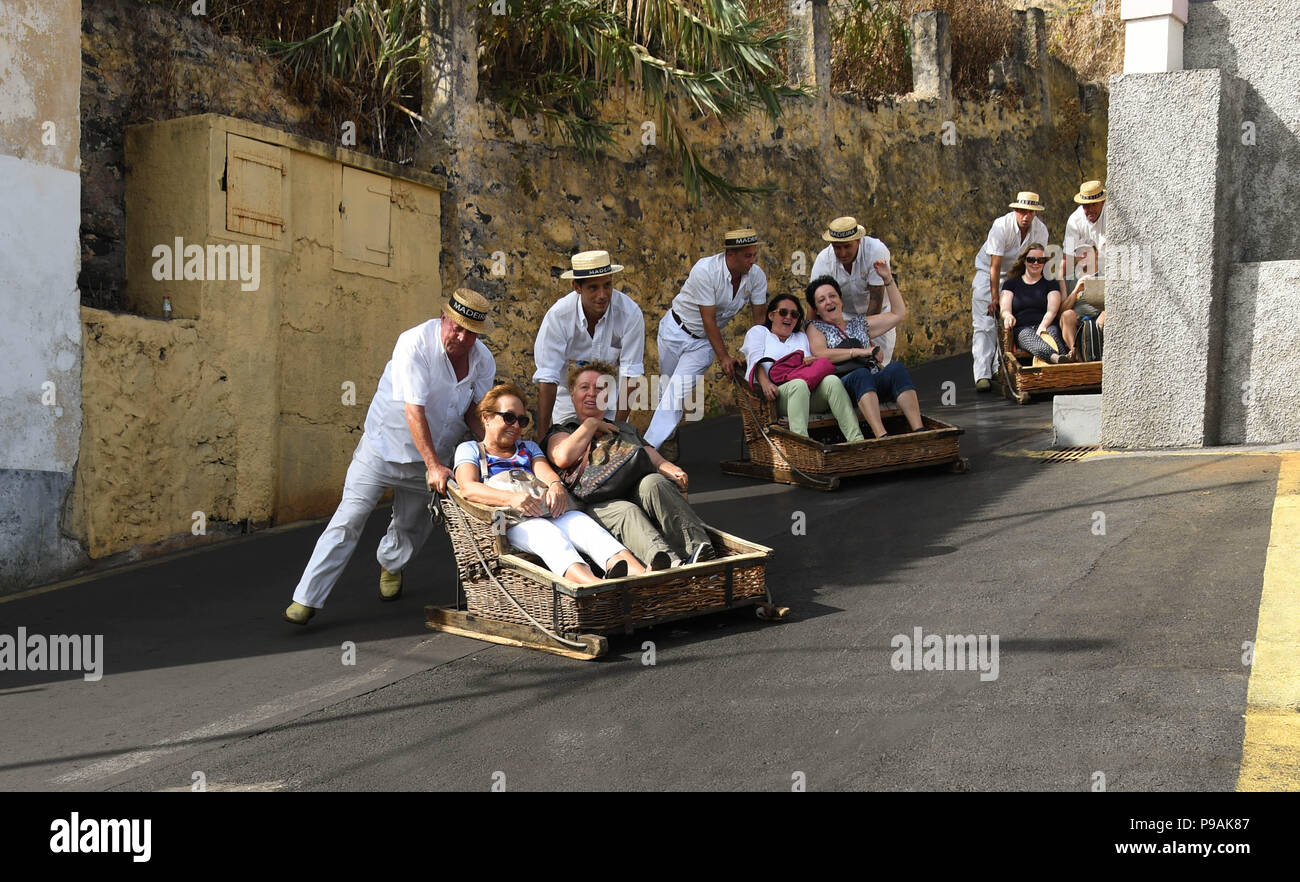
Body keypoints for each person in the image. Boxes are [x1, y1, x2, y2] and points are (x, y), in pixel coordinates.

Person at [284, 288, 497, 625]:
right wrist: (433, 465)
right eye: (455, 326)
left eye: (469, 332)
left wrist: (495, 447)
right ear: (445, 318)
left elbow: (475, 412)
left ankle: (390, 563)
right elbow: (415, 411)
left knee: (412, 526)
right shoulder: (413, 343)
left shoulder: (483, 360)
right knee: (349, 519)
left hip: (435, 456)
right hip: (383, 449)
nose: (460, 336)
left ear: (477, 334)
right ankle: (306, 598)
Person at [453, 383, 646, 585]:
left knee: (582, 523)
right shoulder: (471, 450)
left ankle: (639, 573)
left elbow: (546, 474)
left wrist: (556, 486)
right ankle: (591, 584)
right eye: (509, 417)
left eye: (522, 420)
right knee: (547, 534)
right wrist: (511, 498)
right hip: (506, 522)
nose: (516, 426)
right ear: (486, 417)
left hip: (543, 509)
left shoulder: (528, 448)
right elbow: (468, 488)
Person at [546, 362, 716, 568]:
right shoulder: (562, 431)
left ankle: (701, 551)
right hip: (596, 502)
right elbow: (563, 456)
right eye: (584, 387)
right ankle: (670, 564)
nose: (592, 393)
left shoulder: (624, 428)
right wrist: (591, 424)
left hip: (634, 488)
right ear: (573, 395)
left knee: (655, 482)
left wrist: (665, 465)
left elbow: (649, 454)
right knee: (626, 511)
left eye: (599, 388)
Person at [645, 228, 767, 459]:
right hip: (674, 331)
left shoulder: (757, 276)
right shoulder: (705, 270)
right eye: (747, 256)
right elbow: (708, 319)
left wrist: (756, 358)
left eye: (754, 255)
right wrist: (724, 358)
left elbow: (759, 321)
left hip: (702, 344)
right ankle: (669, 436)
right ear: (731, 254)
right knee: (666, 389)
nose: (753, 261)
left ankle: (646, 451)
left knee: (676, 392)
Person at [532, 250, 645, 439]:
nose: (602, 295)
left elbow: (631, 375)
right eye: (593, 288)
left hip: (609, 397)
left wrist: (619, 430)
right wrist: (543, 437)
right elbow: (548, 377)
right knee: (566, 452)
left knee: (609, 456)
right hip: (568, 399)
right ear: (577, 287)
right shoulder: (558, 316)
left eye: (607, 285)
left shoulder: (630, 313)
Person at [804, 270, 925, 438]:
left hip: (871, 379)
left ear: (841, 300)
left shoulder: (859, 324)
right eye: (822, 300)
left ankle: (920, 431)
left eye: (832, 296)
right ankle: (881, 435)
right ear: (817, 309)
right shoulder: (815, 327)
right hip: (845, 386)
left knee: (896, 368)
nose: (829, 302)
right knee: (860, 374)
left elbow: (898, 314)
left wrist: (887, 279)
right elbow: (822, 353)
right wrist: (862, 351)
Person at [739, 293, 864, 442]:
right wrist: (765, 383)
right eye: (783, 312)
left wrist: (812, 361)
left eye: (794, 314)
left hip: (807, 393)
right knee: (798, 385)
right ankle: (803, 445)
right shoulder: (759, 332)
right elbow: (755, 359)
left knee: (832, 381)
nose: (789, 317)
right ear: (771, 315)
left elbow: (811, 367)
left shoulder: (801, 337)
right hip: (774, 396)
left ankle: (857, 441)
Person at [972, 191, 1051, 391]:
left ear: (1035, 213)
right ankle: (982, 375)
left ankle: (1001, 369)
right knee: (985, 324)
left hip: (1015, 276)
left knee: (1008, 323)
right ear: (1015, 210)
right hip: (988, 274)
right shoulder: (1001, 226)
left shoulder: (1040, 230)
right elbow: (994, 266)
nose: (1025, 216)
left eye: (1029, 212)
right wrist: (994, 297)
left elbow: (1036, 260)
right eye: (1021, 211)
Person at [809, 216, 896, 364]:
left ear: (858, 241)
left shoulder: (876, 250)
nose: (842, 253)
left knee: (879, 367)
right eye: (837, 247)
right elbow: (813, 303)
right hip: (843, 319)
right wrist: (809, 338)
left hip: (877, 315)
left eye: (847, 246)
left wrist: (865, 338)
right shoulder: (824, 260)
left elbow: (876, 298)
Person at [999, 243, 1069, 365]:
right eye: (1031, 259)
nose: (1035, 263)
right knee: (1027, 335)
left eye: (1040, 260)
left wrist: (1043, 326)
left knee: (1052, 334)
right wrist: (1007, 316)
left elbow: (1052, 310)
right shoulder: (1011, 284)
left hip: (1046, 324)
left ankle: (1063, 366)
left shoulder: (1050, 283)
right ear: (1024, 261)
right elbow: (1005, 309)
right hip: (1022, 327)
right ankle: (1056, 359)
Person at [1059, 243, 1105, 356]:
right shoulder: (1067, 280)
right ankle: (1076, 355)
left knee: (1107, 313)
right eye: (1079, 253)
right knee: (1066, 315)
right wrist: (1075, 291)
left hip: (1100, 320)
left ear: (1096, 253)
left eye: (1087, 251)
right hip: (1077, 321)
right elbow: (1060, 312)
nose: (1083, 255)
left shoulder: (1105, 276)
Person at [1062, 180, 1107, 283]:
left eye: (1094, 204)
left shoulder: (1112, 217)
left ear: (1103, 202)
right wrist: (1059, 288)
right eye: (1086, 205)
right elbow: (1067, 257)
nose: (1090, 209)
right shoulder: (1074, 221)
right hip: (1085, 277)